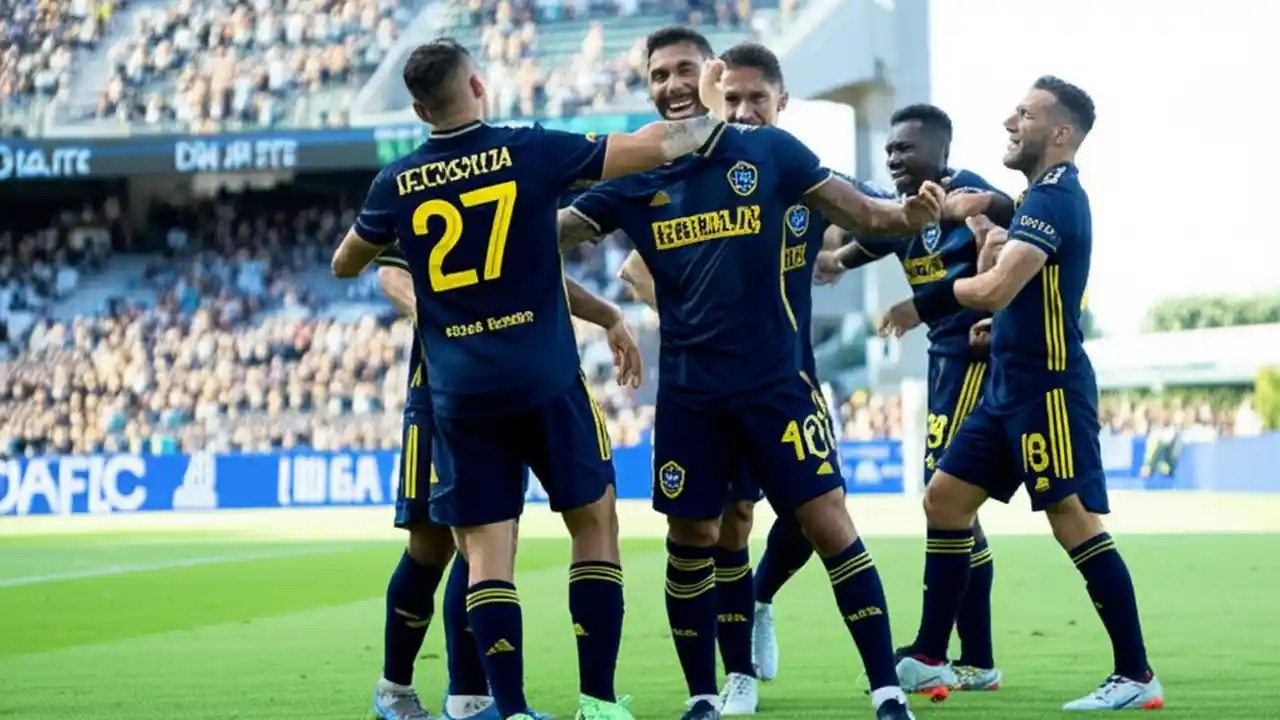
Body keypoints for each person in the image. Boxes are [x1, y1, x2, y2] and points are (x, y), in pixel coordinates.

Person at [331, 37, 726, 720]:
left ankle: (506, 708)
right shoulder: (529, 151)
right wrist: (713, 111)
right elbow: (658, 146)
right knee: (594, 521)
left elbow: (346, 262)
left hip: (458, 392)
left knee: (482, 551)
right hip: (544, 378)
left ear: (420, 108)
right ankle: (597, 702)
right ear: (479, 86)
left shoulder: (395, 183)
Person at [559, 25, 944, 720]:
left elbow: (867, 215)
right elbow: (550, 237)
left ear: (710, 74)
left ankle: (887, 692)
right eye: (660, 75)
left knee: (825, 521)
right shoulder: (634, 171)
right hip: (691, 397)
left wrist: (909, 216)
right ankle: (711, 690)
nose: (675, 85)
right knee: (700, 537)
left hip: (778, 383)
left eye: (686, 70)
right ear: (648, 85)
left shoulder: (771, 153)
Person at [891, 76, 1165, 711]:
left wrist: (924, 302)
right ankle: (931, 654)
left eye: (1026, 114)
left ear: (1060, 133)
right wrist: (989, 233)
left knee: (1072, 520)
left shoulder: (1055, 197)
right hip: (1006, 386)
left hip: (1048, 388)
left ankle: (1136, 672)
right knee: (945, 499)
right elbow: (1012, 289)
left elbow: (993, 288)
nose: (1010, 122)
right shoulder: (1034, 197)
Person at [612, 40, 848, 714]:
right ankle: (737, 670)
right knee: (732, 522)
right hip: (719, 378)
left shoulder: (796, 171)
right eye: (734, 98)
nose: (744, 110)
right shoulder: (694, 173)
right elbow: (634, 271)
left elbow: (874, 220)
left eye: (755, 99)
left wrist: (848, 258)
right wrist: (696, 316)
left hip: (793, 373)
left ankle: (764, 595)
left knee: (815, 514)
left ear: (781, 102)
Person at [371, 244, 645, 720]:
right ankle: (394, 687)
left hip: (510, 384)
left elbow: (538, 274)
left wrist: (605, 314)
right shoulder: (423, 179)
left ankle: (469, 697)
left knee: (489, 534)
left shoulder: (516, 180)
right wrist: (444, 316)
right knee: (432, 543)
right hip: (443, 384)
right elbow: (391, 274)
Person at [814, 103, 1013, 693]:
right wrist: (834, 262)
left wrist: (989, 218)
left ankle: (947, 652)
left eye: (906, 148)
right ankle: (974, 658)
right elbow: (874, 240)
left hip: (977, 359)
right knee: (955, 511)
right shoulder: (907, 214)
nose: (894, 158)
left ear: (941, 154)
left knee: (947, 499)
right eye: (891, 150)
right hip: (943, 364)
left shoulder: (968, 192)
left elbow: (1003, 211)